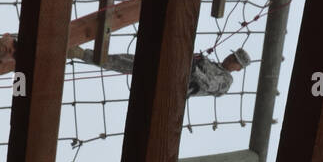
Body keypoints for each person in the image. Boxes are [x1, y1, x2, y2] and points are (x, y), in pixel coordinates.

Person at [67, 45, 254, 97]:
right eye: (232, 57)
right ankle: (82, 54)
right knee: (130, 61)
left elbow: (208, 84)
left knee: (131, 63)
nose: (230, 60)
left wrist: (192, 67)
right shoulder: (214, 64)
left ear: (238, 69)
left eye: (234, 61)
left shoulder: (226, 81)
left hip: (176, 86)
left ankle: (83, 54)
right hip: (172, 71)